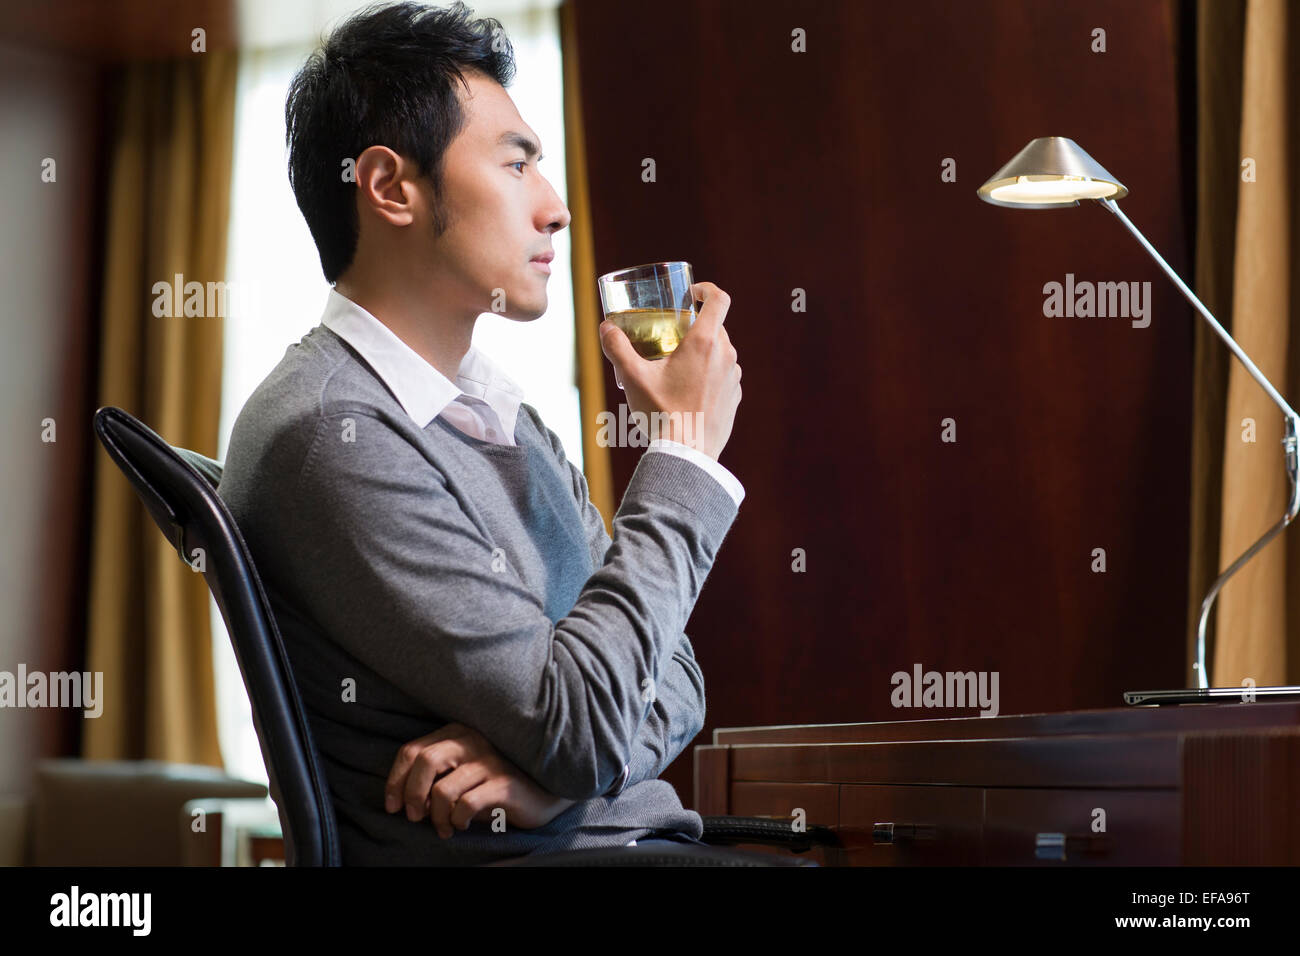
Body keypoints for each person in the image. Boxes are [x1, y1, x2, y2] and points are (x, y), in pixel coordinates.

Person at [217, 0, 743, 865]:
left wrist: (551, 778)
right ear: (390, 187)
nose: (557, 210)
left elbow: (674, 678)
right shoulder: (334, 434)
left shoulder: (505, 419)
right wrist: (682, 448)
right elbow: (585, 727)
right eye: (517, 163)